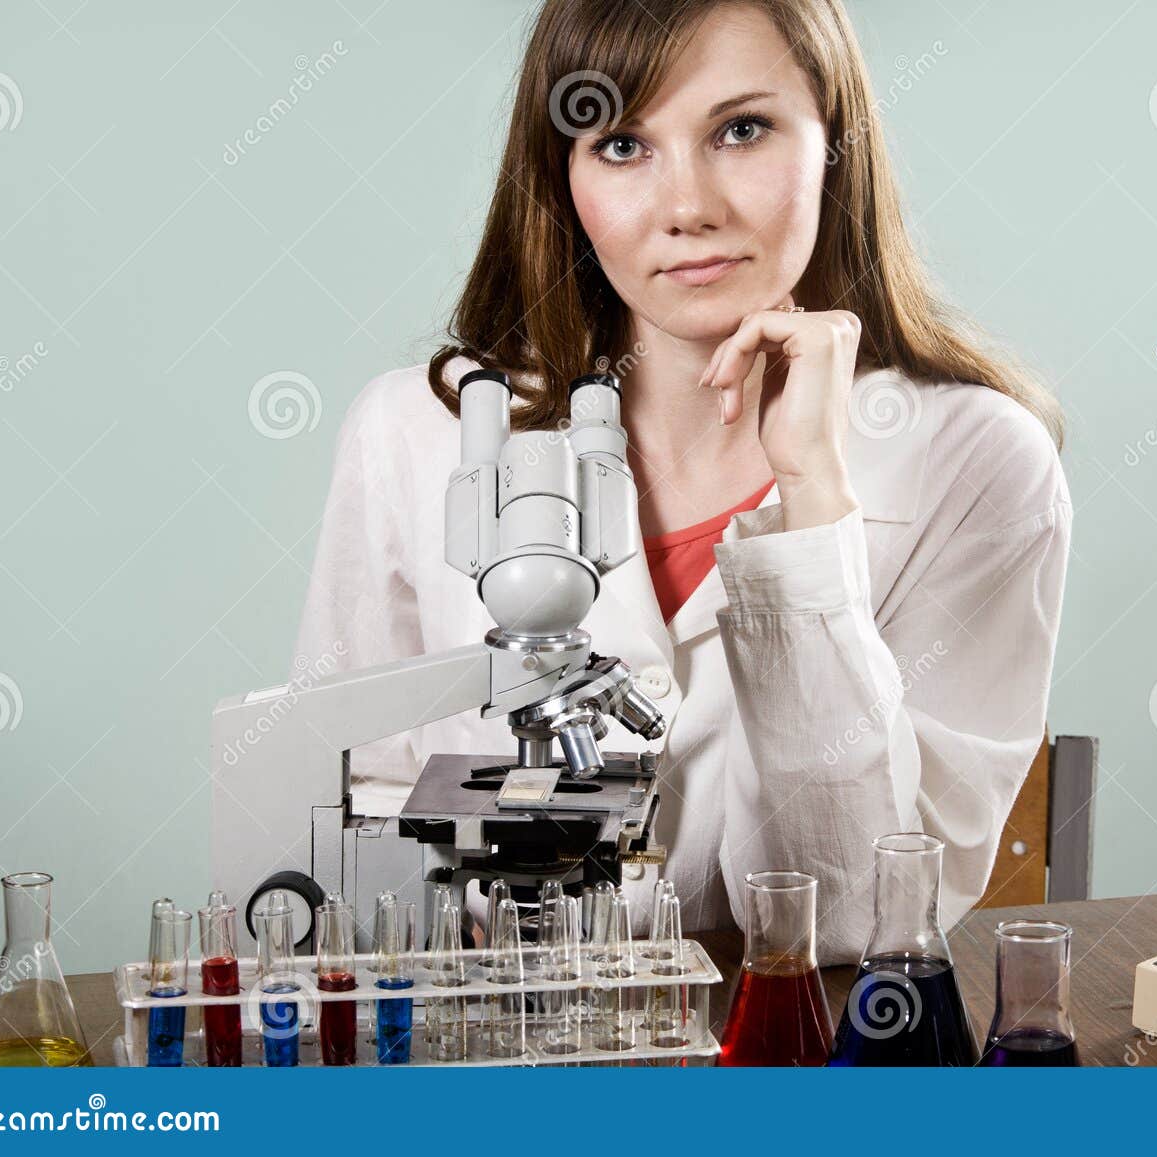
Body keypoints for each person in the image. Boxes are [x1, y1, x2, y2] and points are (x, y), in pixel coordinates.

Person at [293, 0, 1071, 964]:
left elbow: (863, 917)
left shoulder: (977, 459)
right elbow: (350, 821)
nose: (688, 205)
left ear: (835, 141)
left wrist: (811, 498)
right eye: (621, 145)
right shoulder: (415, 430)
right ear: (561, 177)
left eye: (741, 130)